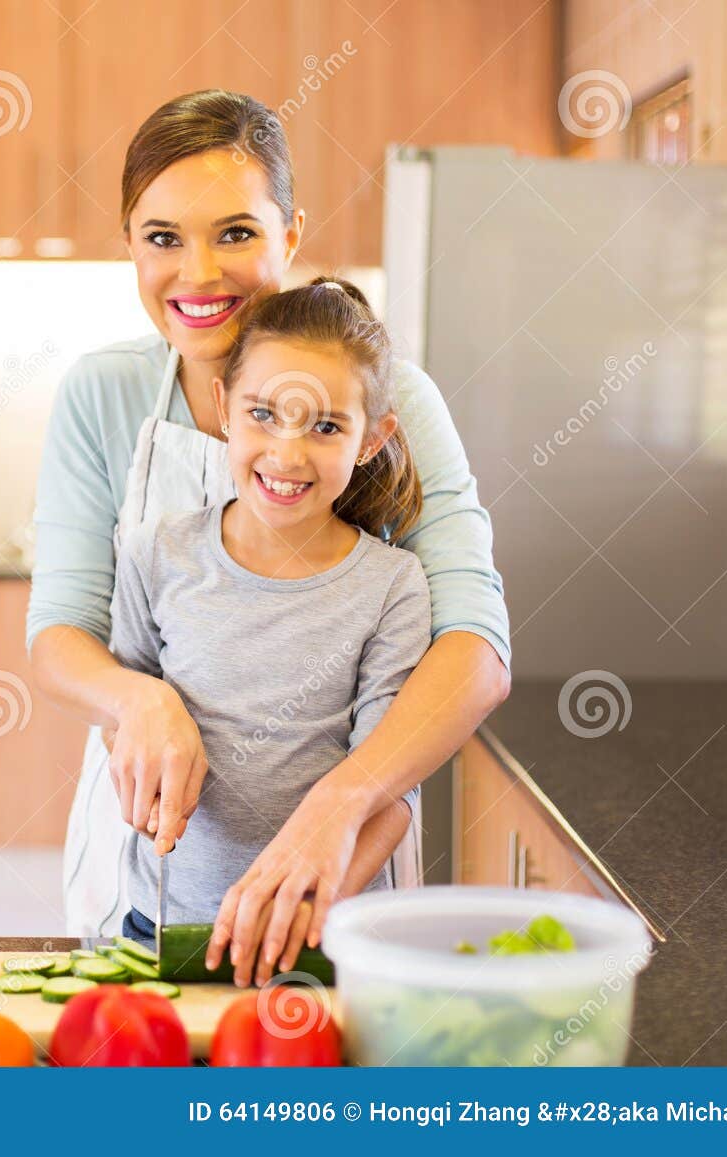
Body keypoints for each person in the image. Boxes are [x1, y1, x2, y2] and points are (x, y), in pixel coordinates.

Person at [26, 91, 512, 982]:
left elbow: (475, 646)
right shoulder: (101, 395)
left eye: (236, 233)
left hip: (342, 873)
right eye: (163, 236)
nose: (198, 273)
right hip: (154, 872)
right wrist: (140, 701)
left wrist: (342, 803)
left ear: (290, 233)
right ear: (129, 241)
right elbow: (61, 631)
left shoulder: (390, 399)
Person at [111, 277, 431, 985]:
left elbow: (389, 794)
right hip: (161, 929)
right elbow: (124, 700)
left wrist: (299, 911)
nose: (287, 456)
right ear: (225, 409)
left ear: (373, 437)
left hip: (321, 944)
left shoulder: (391, 587)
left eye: (325, 427)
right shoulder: (156, 551)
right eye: (263, 414)